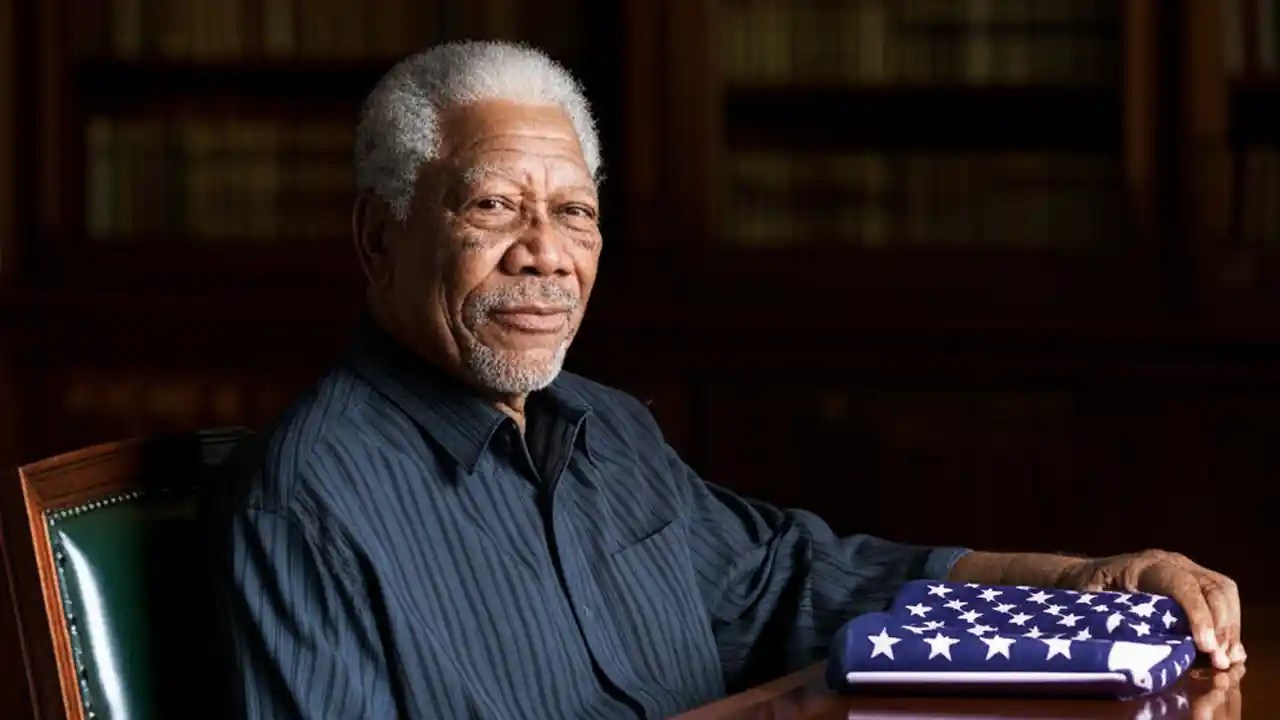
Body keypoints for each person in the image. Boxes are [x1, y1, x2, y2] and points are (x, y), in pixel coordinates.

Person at [201, 41, 1244, 719]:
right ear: (379, 237)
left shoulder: (602, 429)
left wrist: (1082, 581)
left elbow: (790, 579)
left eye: (573, 213)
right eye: (490, 209)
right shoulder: (312, 502)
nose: (545, 254)